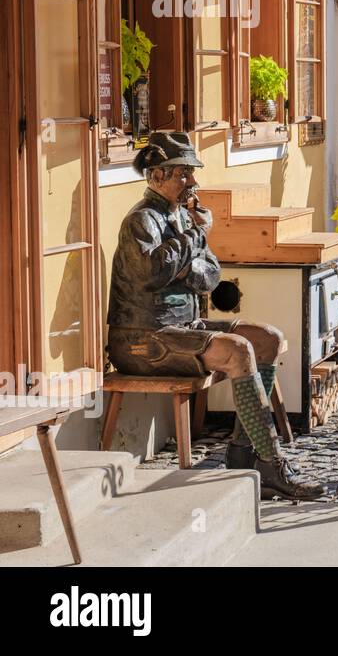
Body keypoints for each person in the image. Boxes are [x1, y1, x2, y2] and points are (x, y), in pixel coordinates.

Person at [106, 131, 323, 501]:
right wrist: (195, 237)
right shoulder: (141, 221)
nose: (193, 181)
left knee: (266, 337)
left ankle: (243, 454)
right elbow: (153, 274)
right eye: (183, 173)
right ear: (156, 175)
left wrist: (186, 253)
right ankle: (272, 462)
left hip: (178, 329)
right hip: (143, 340)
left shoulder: (179, 217)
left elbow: (209, 277)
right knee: (237, 350)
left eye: (191, 172)